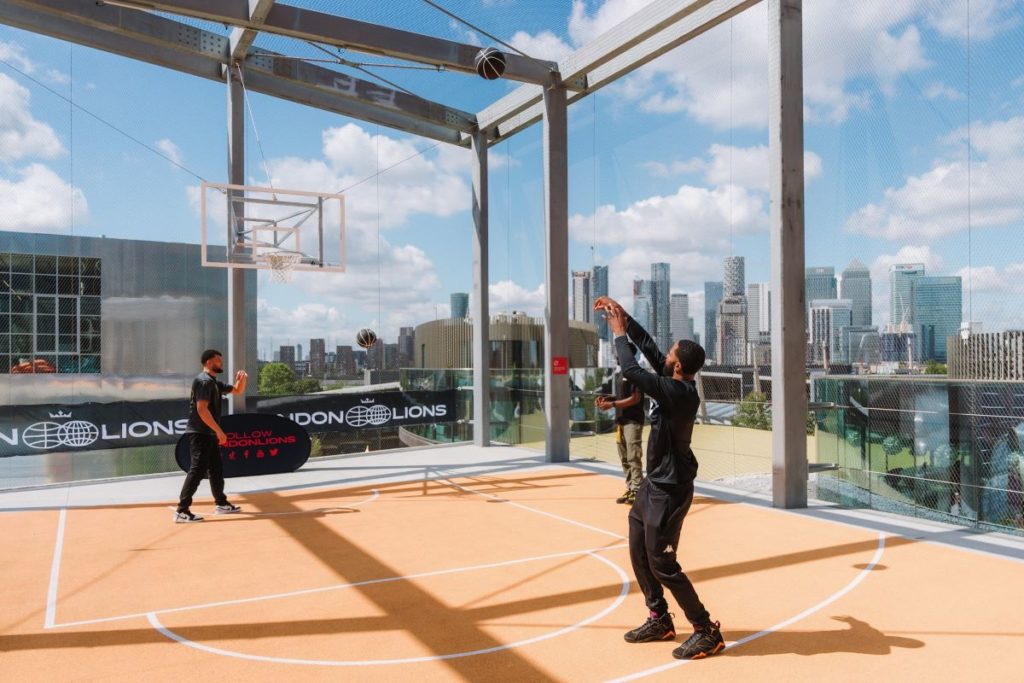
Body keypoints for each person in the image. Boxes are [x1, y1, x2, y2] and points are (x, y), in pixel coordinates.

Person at [594, 295, 724, 661]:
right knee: (638, 550)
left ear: (678, 365)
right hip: (653, 484)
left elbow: (632, 371)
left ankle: (705, 630)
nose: (663, 357)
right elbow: (649, 346)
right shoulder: (672, 376)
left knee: (663, 563)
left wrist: (619, 335)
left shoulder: (680, 392)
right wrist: (623, 315)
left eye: (670, 355)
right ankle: (659, 618)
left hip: (671, 489)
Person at [174, 349, 247, 523]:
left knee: (215, 468)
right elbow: (201, 409)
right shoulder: (204, 382)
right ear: (208, 363)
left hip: (208, 432)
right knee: (198, 470)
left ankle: (221, 503)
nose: (221, 363)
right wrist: (219, 431)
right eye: (218, 361)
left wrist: (241, 379)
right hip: (200, 432)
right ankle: (182, 510)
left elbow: (237, 391)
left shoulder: (214, 382)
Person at [596, 342, 645, 504]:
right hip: (621, 421)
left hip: (632, 421)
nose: (617, 356)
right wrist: (607, 400)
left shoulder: (636, 373)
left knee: (633, 456)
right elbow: (620, 397)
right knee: (624, 456)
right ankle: (631, 487)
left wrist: (613, 405)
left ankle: (638, 490)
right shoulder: (620, 373)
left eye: (619, 353)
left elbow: (635, 398)